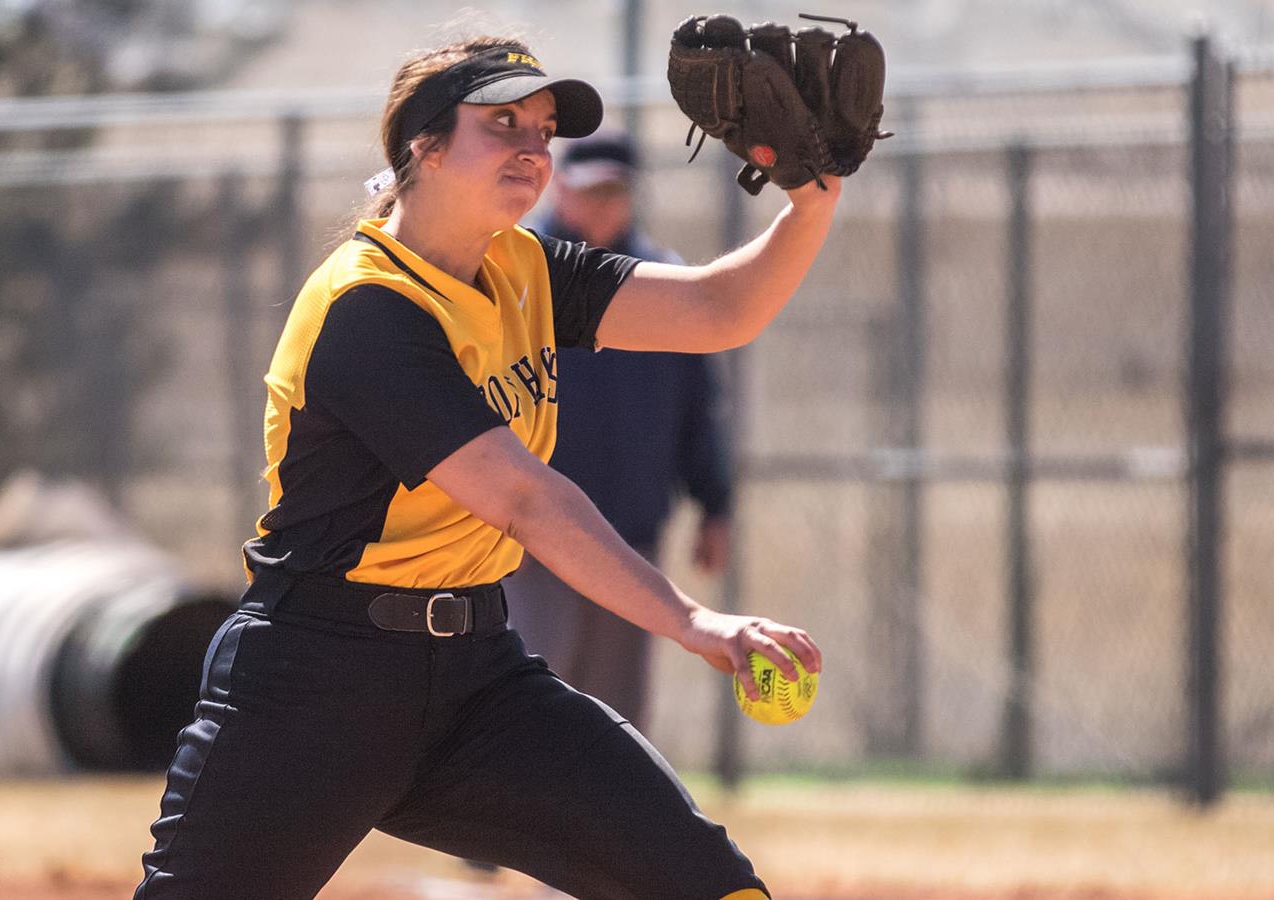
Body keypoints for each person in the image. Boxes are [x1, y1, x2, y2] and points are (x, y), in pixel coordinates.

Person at [135, 35, 835, 900]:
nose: (533, 148)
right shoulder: (367, 309)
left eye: (543, 130)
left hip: (477, 681)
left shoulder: (523, 268)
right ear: (423, 145)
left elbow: (719, 309)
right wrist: (694, 622)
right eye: (503, 123)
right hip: (316, 682)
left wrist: (812, 200)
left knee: (705, 884)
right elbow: (525, 499)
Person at [508, 128, 731, 733]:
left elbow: (697, 408)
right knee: (532, 701)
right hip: (531, 537)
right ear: (560, 188)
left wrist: (714, 504)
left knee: (616, 718)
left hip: (630, 530)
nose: (603, 204)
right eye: (591, 190)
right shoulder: (515, 270)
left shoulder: (663, 280)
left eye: (614, 191)